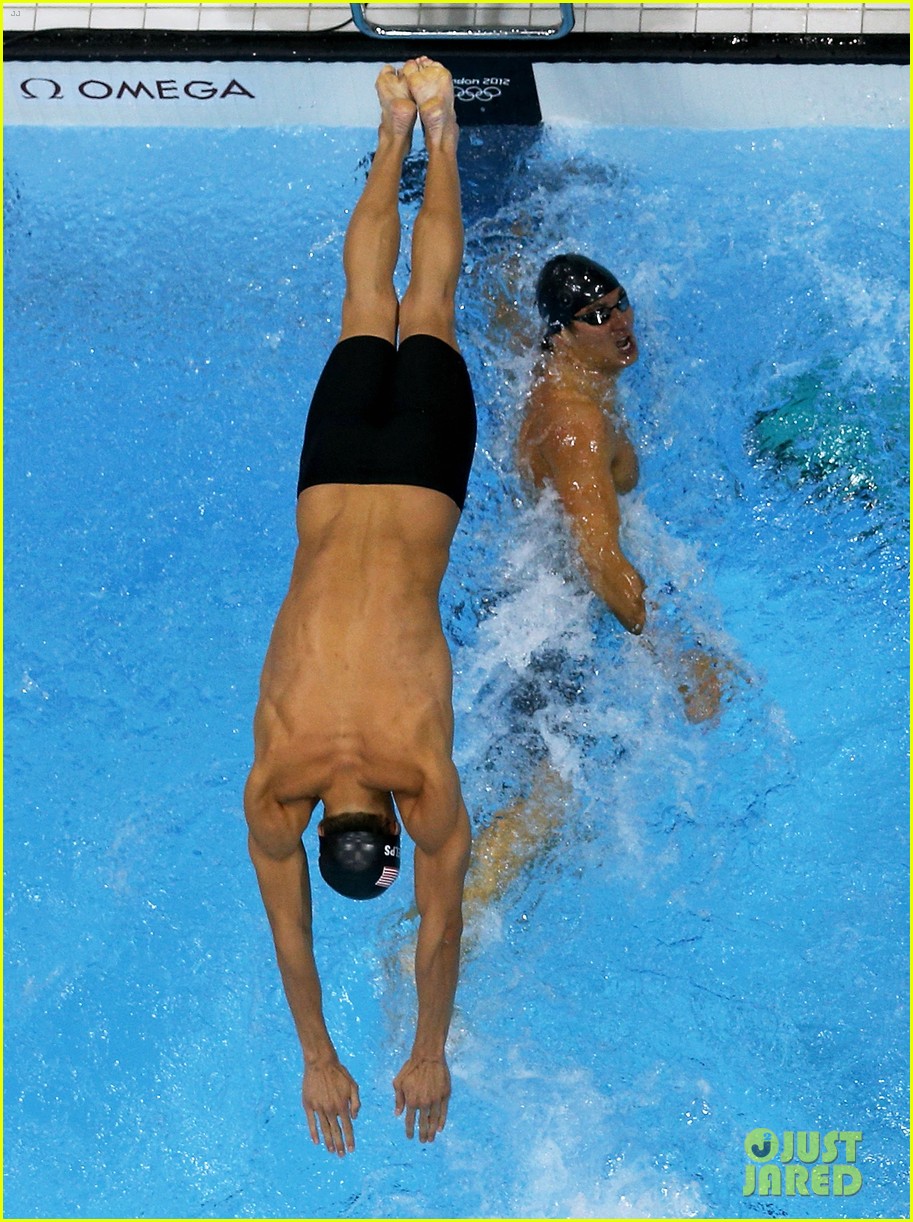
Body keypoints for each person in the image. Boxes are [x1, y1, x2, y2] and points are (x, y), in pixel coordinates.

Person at [243, 58, 474, 1158]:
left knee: (427, 305)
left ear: (384, 823)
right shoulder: (274, 782)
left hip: (425, 481)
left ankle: (445, 137)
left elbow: (438, 928)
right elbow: (288, 929)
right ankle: (391, 130)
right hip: (330, 485)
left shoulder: (419, 774)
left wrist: (425, 1047)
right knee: (360, 308)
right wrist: (312, 1050)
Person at [518, 253, 725, 723]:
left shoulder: (565, 372)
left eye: (621, 305)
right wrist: (683, 664)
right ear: (561, 334)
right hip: (568, 636)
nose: (621, 323)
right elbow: (600, 562)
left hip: (563, 611)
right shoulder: (578, 426)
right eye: (597, 317)